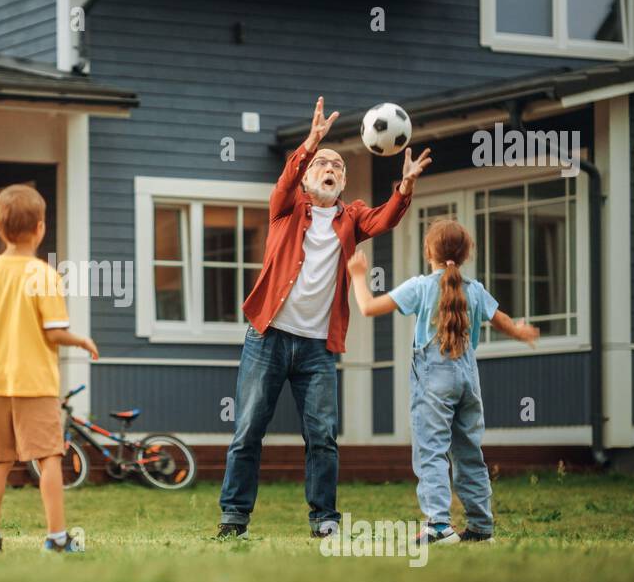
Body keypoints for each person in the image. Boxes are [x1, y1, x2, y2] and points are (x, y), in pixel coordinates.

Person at [217, 97, 429, 540]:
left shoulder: (350, 218)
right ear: (310, 175)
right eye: (321, 164)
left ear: (343, 180)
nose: (329, 167)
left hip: (317, 348)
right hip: (268, 338)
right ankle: (234, 519)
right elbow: (287, 176)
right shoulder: (286, 208)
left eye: (337, 165)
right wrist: (312, 143)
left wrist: (404, 186)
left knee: (322, 437)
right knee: (248, 430)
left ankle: (324, 521)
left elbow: (386, 218)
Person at [346, 219, 539, 544]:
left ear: (428, 252)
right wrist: (520, 332)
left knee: (431, 451)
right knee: (468, 452)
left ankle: (438, 526)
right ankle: (481, 527)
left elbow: (367, 307)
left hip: (433, 382)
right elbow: (502, 319)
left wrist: (357, 276)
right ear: (467, 254)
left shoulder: (420, 287)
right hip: (467, 379)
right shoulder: (474, 289)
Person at [0, 185, 98, 553]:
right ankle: (56, 537)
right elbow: (54, 332)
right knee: (49, 457)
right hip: (34, 383)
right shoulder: (44, 275)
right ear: (40, 228)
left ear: (0, 230)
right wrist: (81, 340)